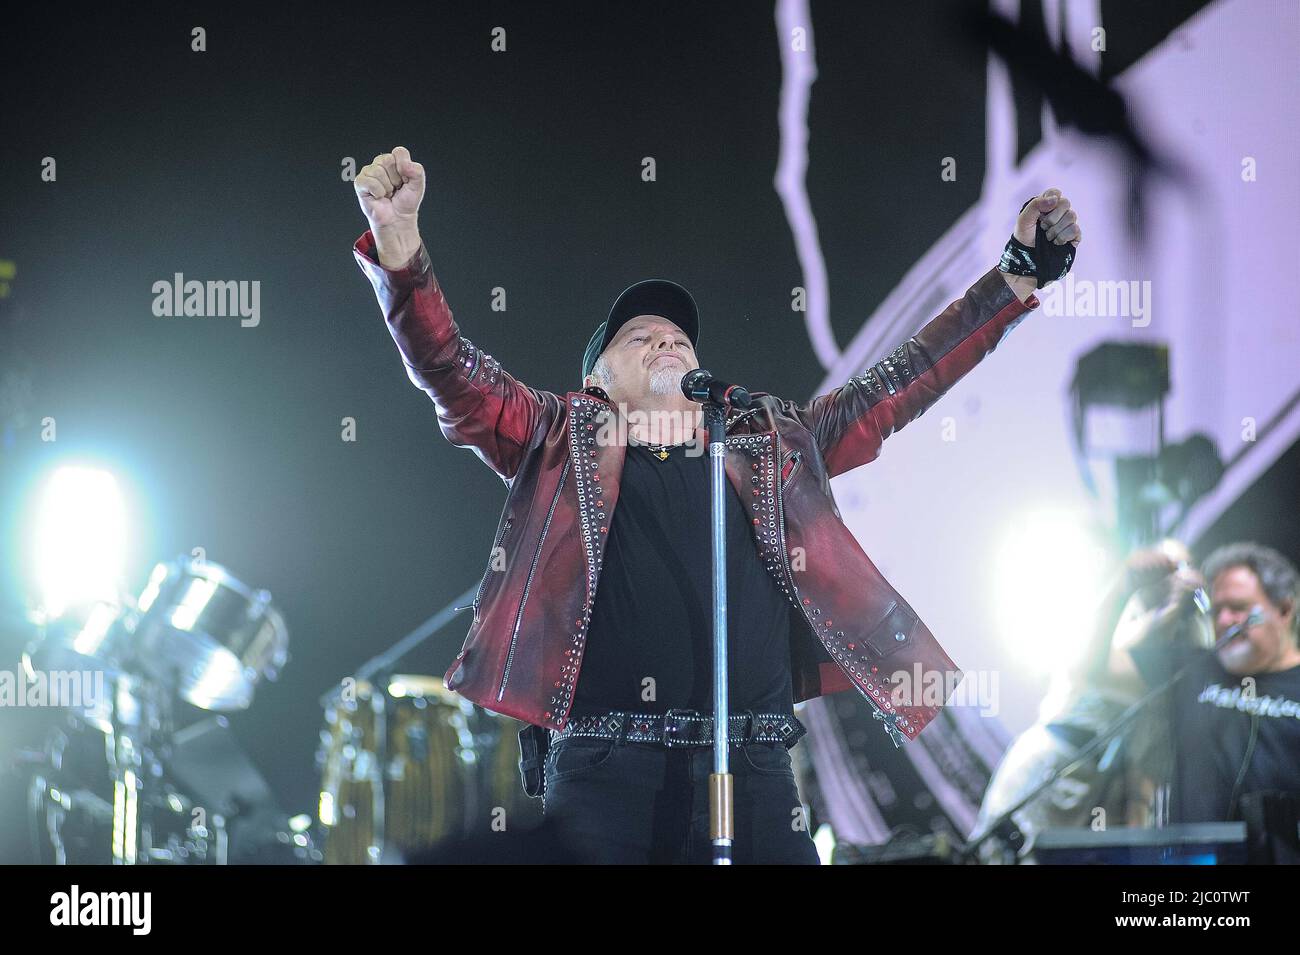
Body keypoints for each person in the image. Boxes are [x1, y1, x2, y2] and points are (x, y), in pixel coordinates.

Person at [351, 145, 1082, 864]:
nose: (666, 339)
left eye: (676, 337)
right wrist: (400, 245)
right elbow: (450, 370)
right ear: (598, 380)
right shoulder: (556, 435)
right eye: (639, 337)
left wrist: (1012, 278)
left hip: (756, 762)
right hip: (610, 765)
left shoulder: (769, 440)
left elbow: (900, 383)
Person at [1111, 542, 1300, 824]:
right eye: (1216, 610)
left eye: (1237, 607)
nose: (1224, 620)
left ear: (1284, 610)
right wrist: (1127, 587)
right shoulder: (1194, 668)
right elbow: (1099, 668)